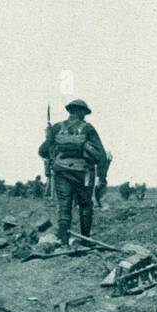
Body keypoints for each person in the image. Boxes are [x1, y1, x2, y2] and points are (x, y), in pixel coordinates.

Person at [38, 98, 108, 238]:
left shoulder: (57, 127)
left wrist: (50, 140)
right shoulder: (88, 128)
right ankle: (85, 239)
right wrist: (102, 175)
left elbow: (42, 151)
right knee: (86, 206)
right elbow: (101, 154)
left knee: (64, 206)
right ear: (82, 113)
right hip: (84, 173)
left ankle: (63, 241)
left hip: (62, 172)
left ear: (70, 111)